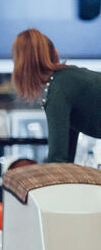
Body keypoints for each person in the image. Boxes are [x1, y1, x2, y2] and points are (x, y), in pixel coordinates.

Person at [11, 28, 101, 164]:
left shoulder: (58, 90)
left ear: (20, 64)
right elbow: (65, 159)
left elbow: (57, 159)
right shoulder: (68, 80)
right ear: (54, 52)